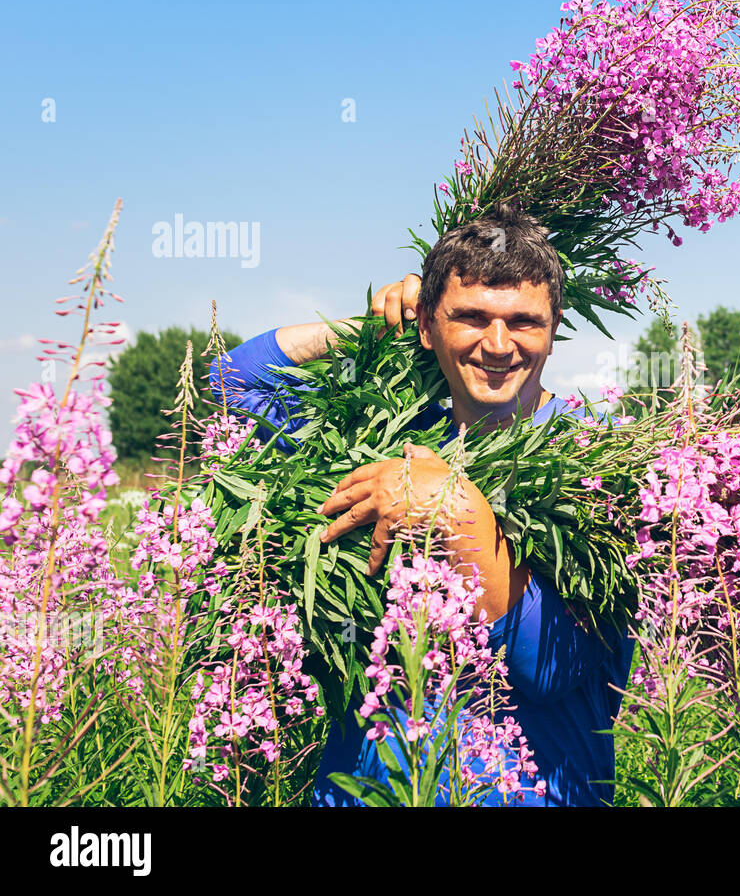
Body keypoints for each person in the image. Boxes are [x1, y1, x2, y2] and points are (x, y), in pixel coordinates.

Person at [209, 202, 636, 806]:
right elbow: (231, 383)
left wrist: (453, 510)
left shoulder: (600, 463)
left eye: (523, 321)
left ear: (554, 327)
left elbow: (551, 668)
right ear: (429, 327)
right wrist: (372, 328)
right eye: (468, 317)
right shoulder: (381, 434)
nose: (497, 344)